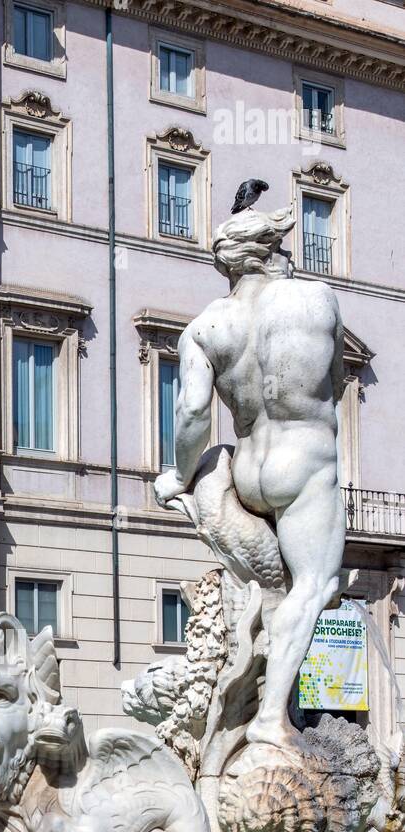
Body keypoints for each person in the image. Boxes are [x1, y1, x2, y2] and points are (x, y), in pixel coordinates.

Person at [154, 202, 346, 748]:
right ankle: (269, 721)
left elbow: (191, 414)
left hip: (246, 468)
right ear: (271, 249)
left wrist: (179, 474)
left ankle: (251, 694)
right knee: (315, 586)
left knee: (274, 592)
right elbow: (334, 385)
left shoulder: (205, 327)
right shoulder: (317, 299)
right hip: (304, 462)